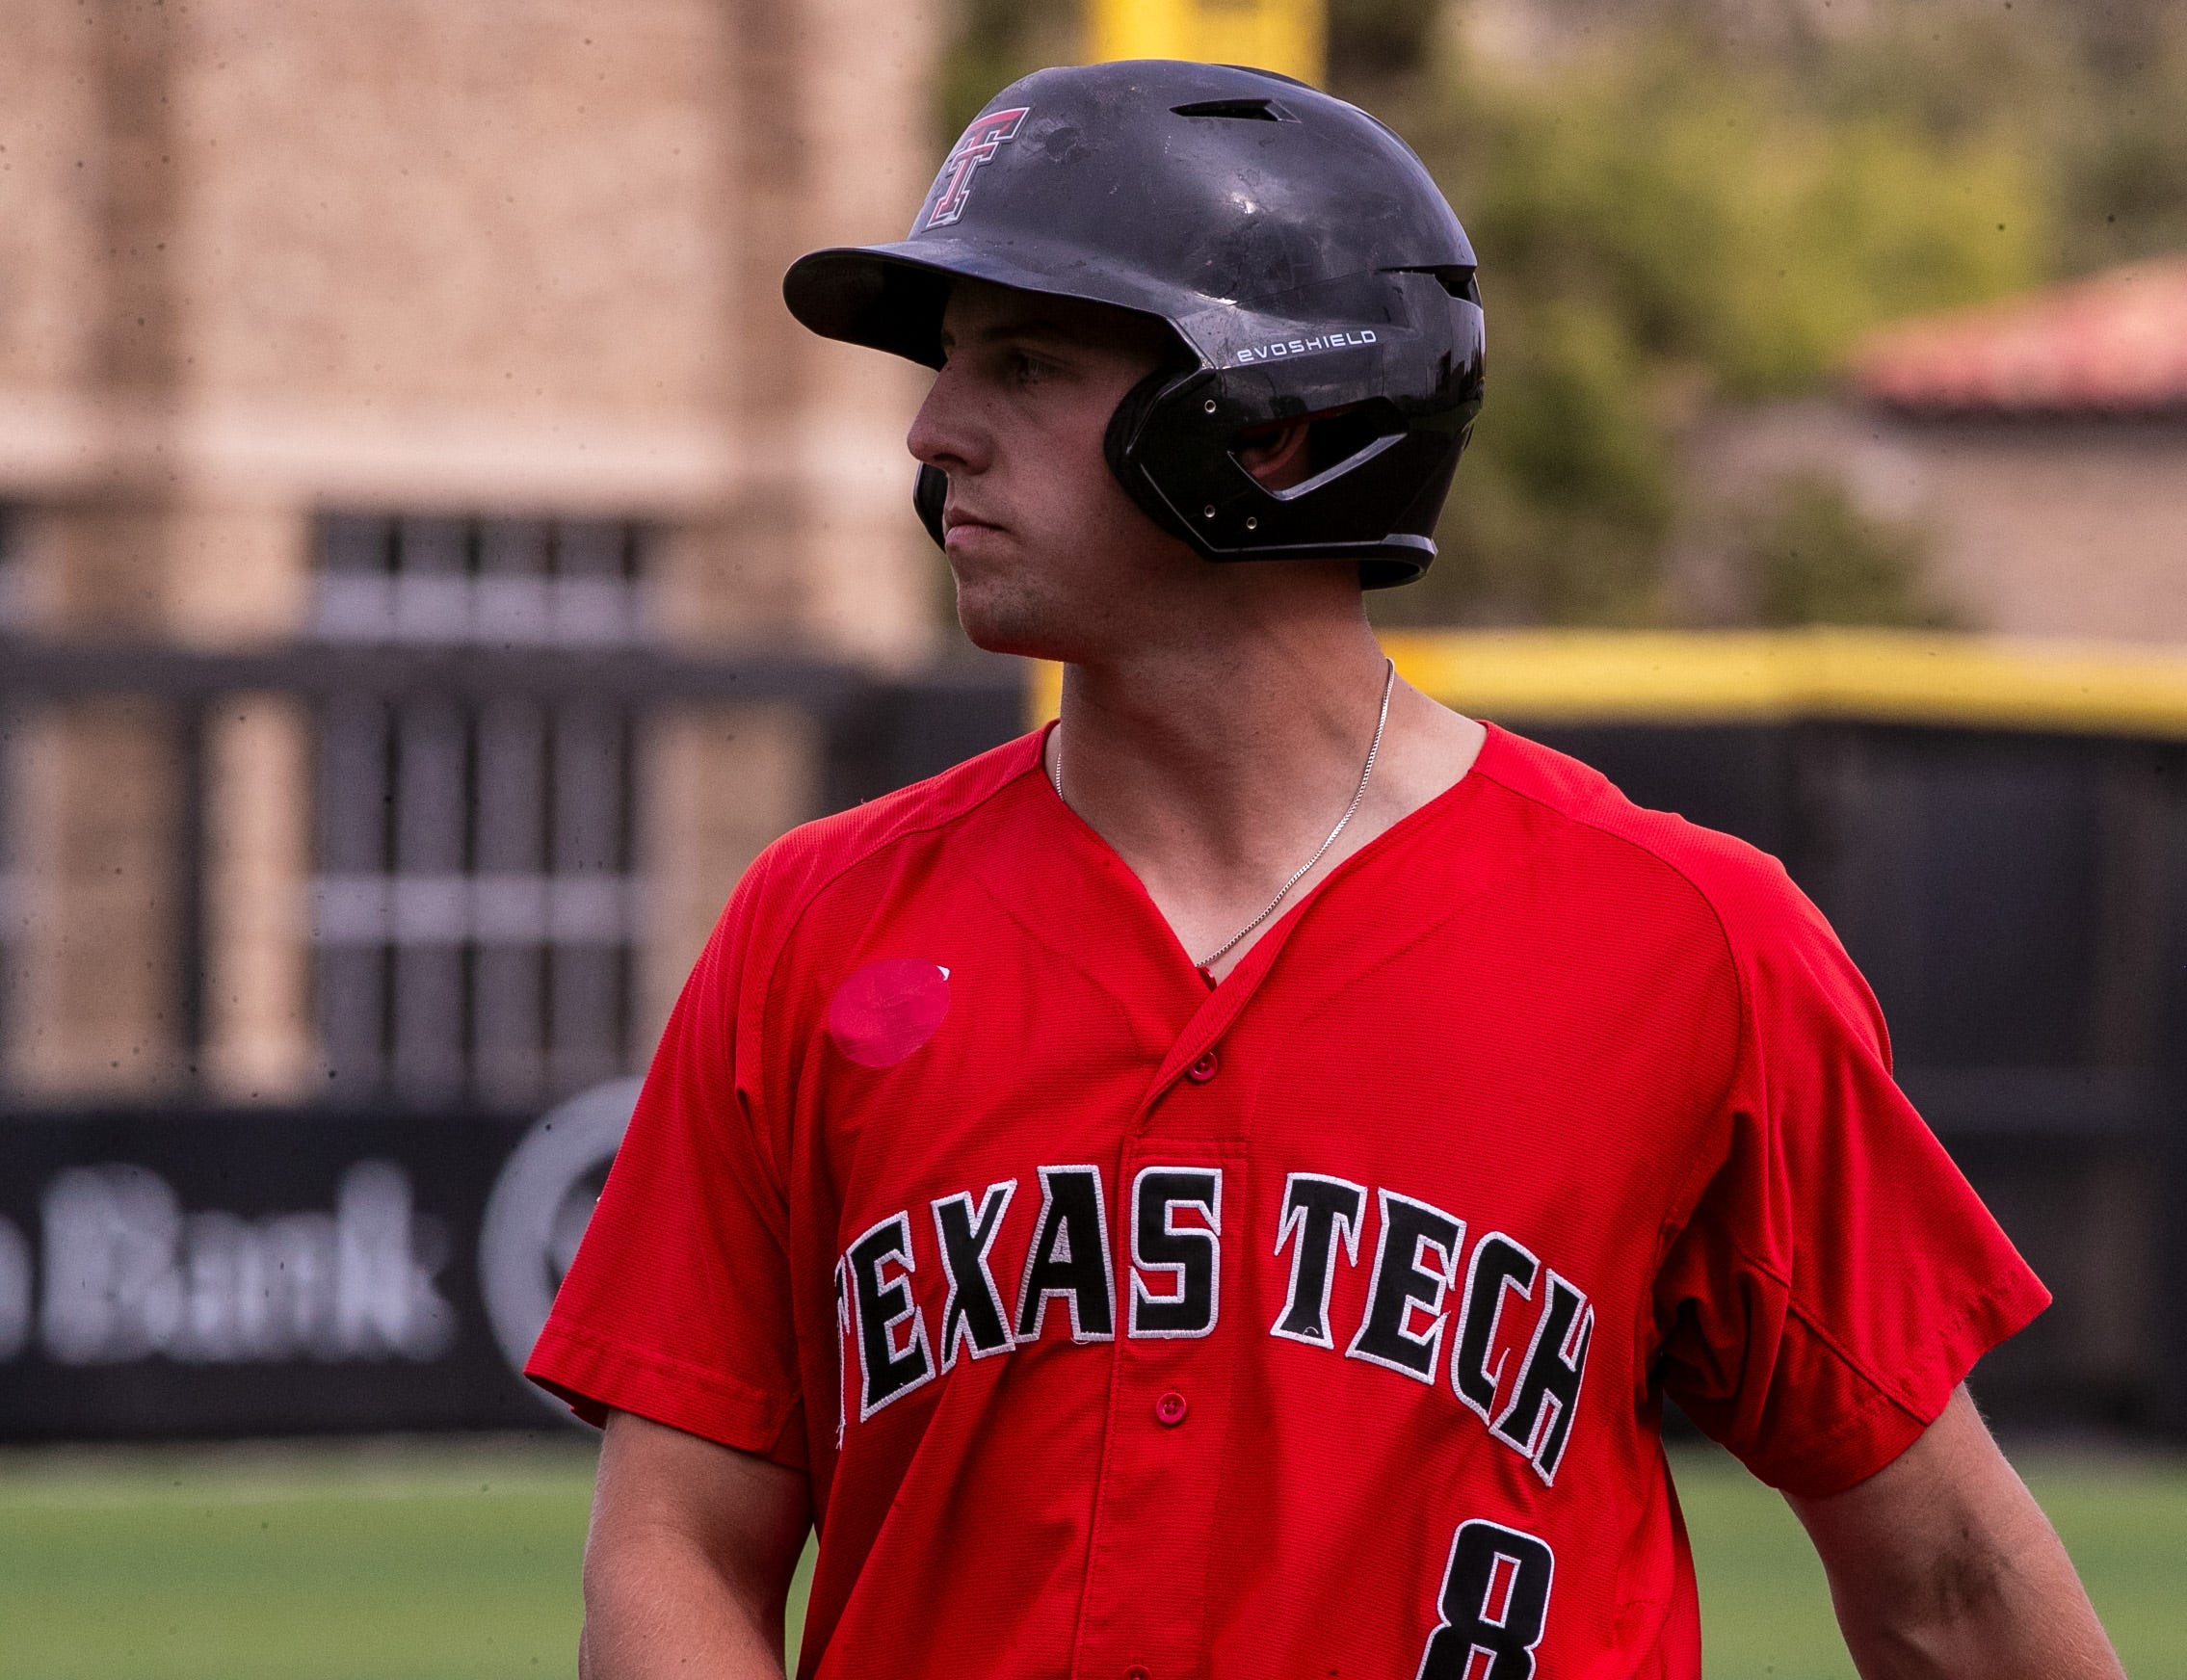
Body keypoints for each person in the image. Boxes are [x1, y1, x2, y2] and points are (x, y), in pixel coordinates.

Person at [527, 60, 2123, 1679]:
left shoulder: (1685, 943)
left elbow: (1949, 1583)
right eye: (951, 370)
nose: (938, 435)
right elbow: (673, 1554)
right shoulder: (816, 924)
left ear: (1268, 425)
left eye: (1025, 365)